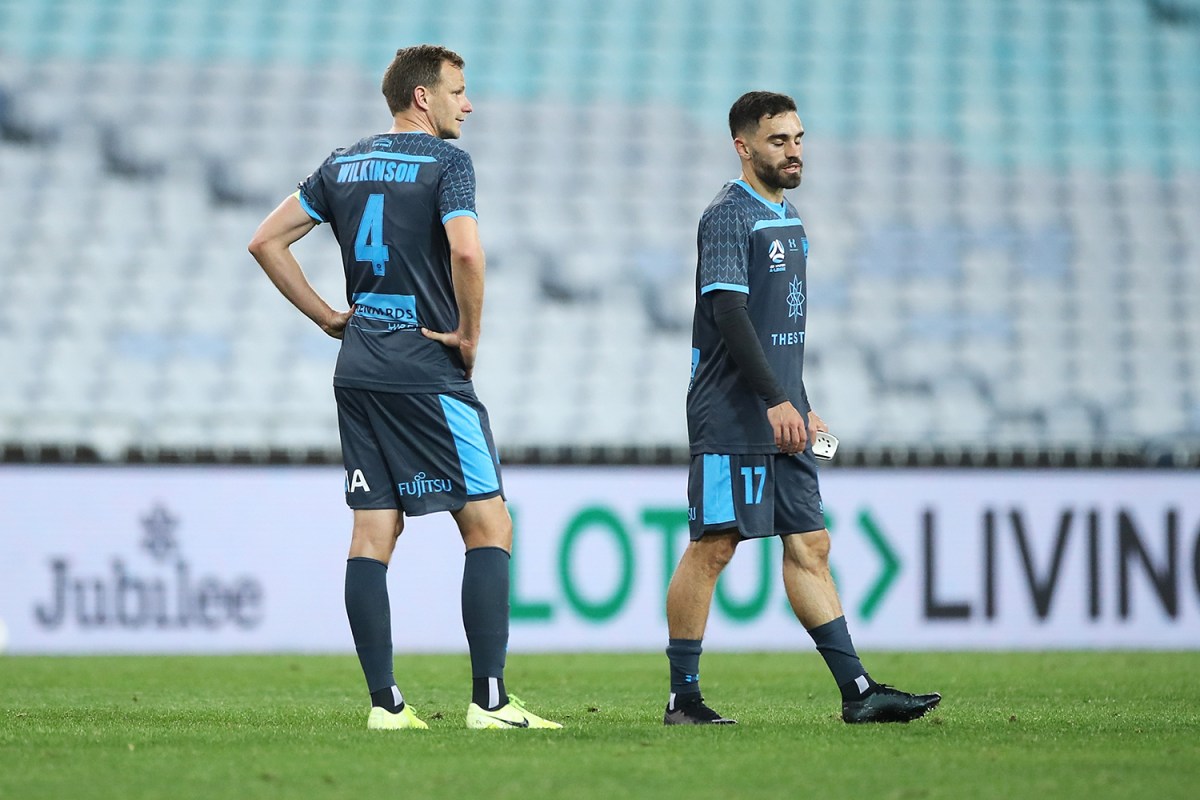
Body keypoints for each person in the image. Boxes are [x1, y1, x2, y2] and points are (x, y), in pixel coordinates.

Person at [248, 44, 559, 731]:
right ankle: (490, 702)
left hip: (358, 365)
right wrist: (469, 335)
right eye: (458, 90)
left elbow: (265, 241)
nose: (468, 104)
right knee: (489, 523)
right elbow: (467, 250)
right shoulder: (447, 163)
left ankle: (386, 706)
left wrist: (328, 315)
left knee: (372, 530)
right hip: (424, 365)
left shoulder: (341, 163)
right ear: (423, 97)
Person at [663, 91, 941, 725]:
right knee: (715, 546)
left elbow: (780, 333)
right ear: (743, 147)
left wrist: (802, 405)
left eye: (798, 138)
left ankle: (859, 692)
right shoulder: (728, 216)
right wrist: (775, 399)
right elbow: (730, 315)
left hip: (783, 412)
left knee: (811, 543)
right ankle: (684, 698)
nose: (794, 151)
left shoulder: (789, 218)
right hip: (731, 414)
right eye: (779, 141)